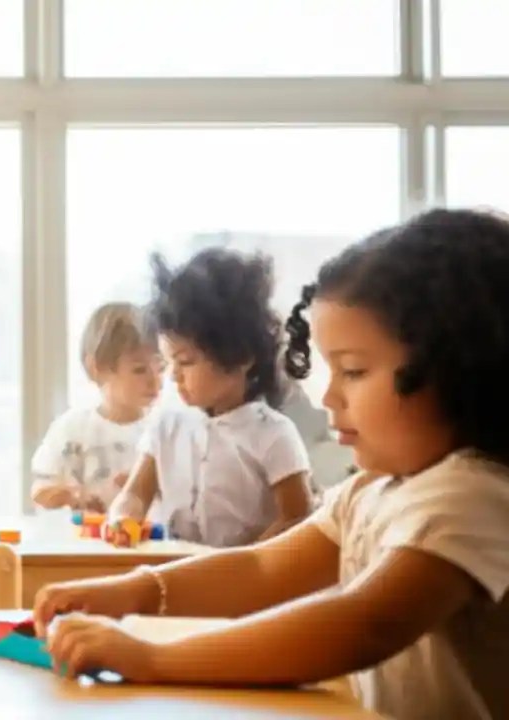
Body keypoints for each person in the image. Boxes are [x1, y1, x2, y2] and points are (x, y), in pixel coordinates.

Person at [33, 209, 509, 720]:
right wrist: (131, 591)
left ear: (458, 369)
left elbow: (363, 623)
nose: (328, 396)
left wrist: (153, 657)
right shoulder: (371, 491)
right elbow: (262, 568)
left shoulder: (472, 493)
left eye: (353, 371)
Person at [106, 248, 312, 547]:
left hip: (246, 583)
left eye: (186, 362)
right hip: (174, 572)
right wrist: (122, 517)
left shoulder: (273, 433)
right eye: (168, 363)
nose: (173, 375)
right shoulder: (166, 425)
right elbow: (135, 494)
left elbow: (297, 518)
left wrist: (246, 562)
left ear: (241, 356)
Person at [30, 302, 162, 514]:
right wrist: (73, 496)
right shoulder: (72, 429)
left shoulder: (162, 429)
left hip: (149, 543)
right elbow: (40, 490)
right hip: (86, 544)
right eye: (139, 370)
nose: (154, 380)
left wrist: (145, 488)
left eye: (160, 367)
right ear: (96, 368)